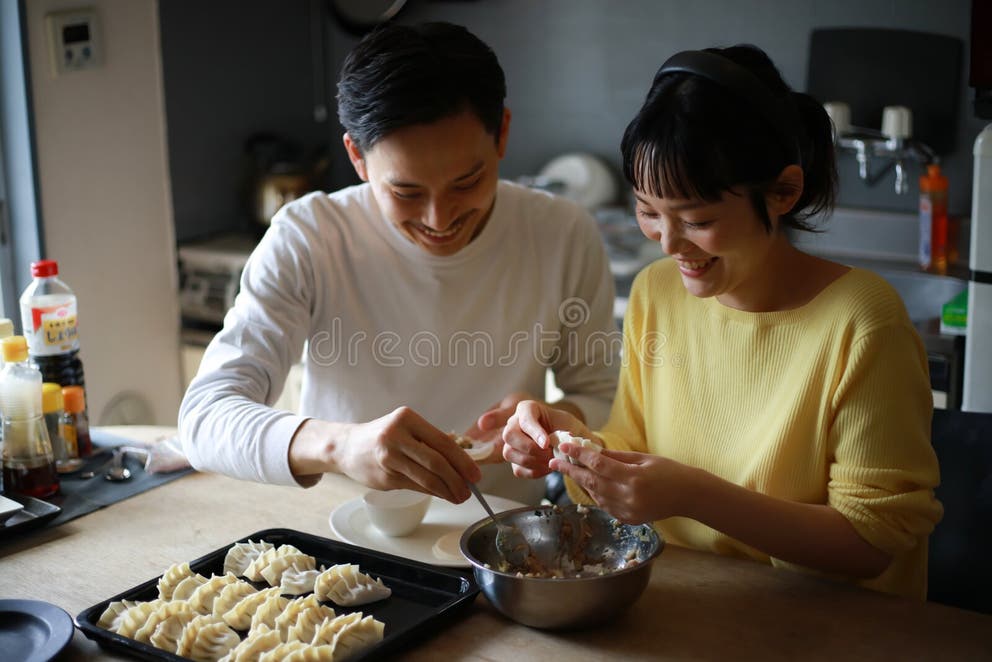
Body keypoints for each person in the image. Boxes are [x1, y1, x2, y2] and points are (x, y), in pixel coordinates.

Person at [502, 45, 943, 599]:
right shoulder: (656, 290)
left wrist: (694, 495)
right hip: (688, 601)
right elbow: (631, 440)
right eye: (647, 211)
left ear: (784, 191)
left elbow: (874, 542)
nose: (668, 243)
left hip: (833, 627)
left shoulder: (863, 322)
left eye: (698, 219)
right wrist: (571, 443)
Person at [178, 22, 619, 506]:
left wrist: (557, 423)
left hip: (499, 542)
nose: (440, 218)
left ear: (502, 136)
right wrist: (341, 446)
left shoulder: (561, 233)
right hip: (338, 538)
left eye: (466, 182)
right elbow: (205, 417)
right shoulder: (311, 237)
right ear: (358, 158)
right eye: (406, 192)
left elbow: (603, 398)